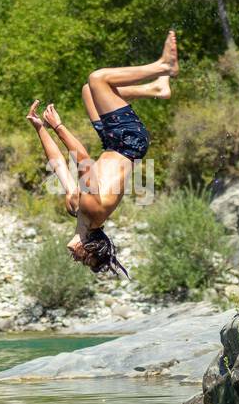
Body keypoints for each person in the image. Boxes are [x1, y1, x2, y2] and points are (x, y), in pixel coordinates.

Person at [26, 30, 179, 276]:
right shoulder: (93, 209)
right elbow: (83, 159)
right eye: (85, 259)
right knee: (98, 79)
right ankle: (163, 66)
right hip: (129, 142)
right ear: (90, 247)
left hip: (111, 143)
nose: (77, 260)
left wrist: (40, 129)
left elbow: (59, 165)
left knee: (89, 91)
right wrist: (58, 126)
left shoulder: (74, 207)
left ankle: (156, 89)